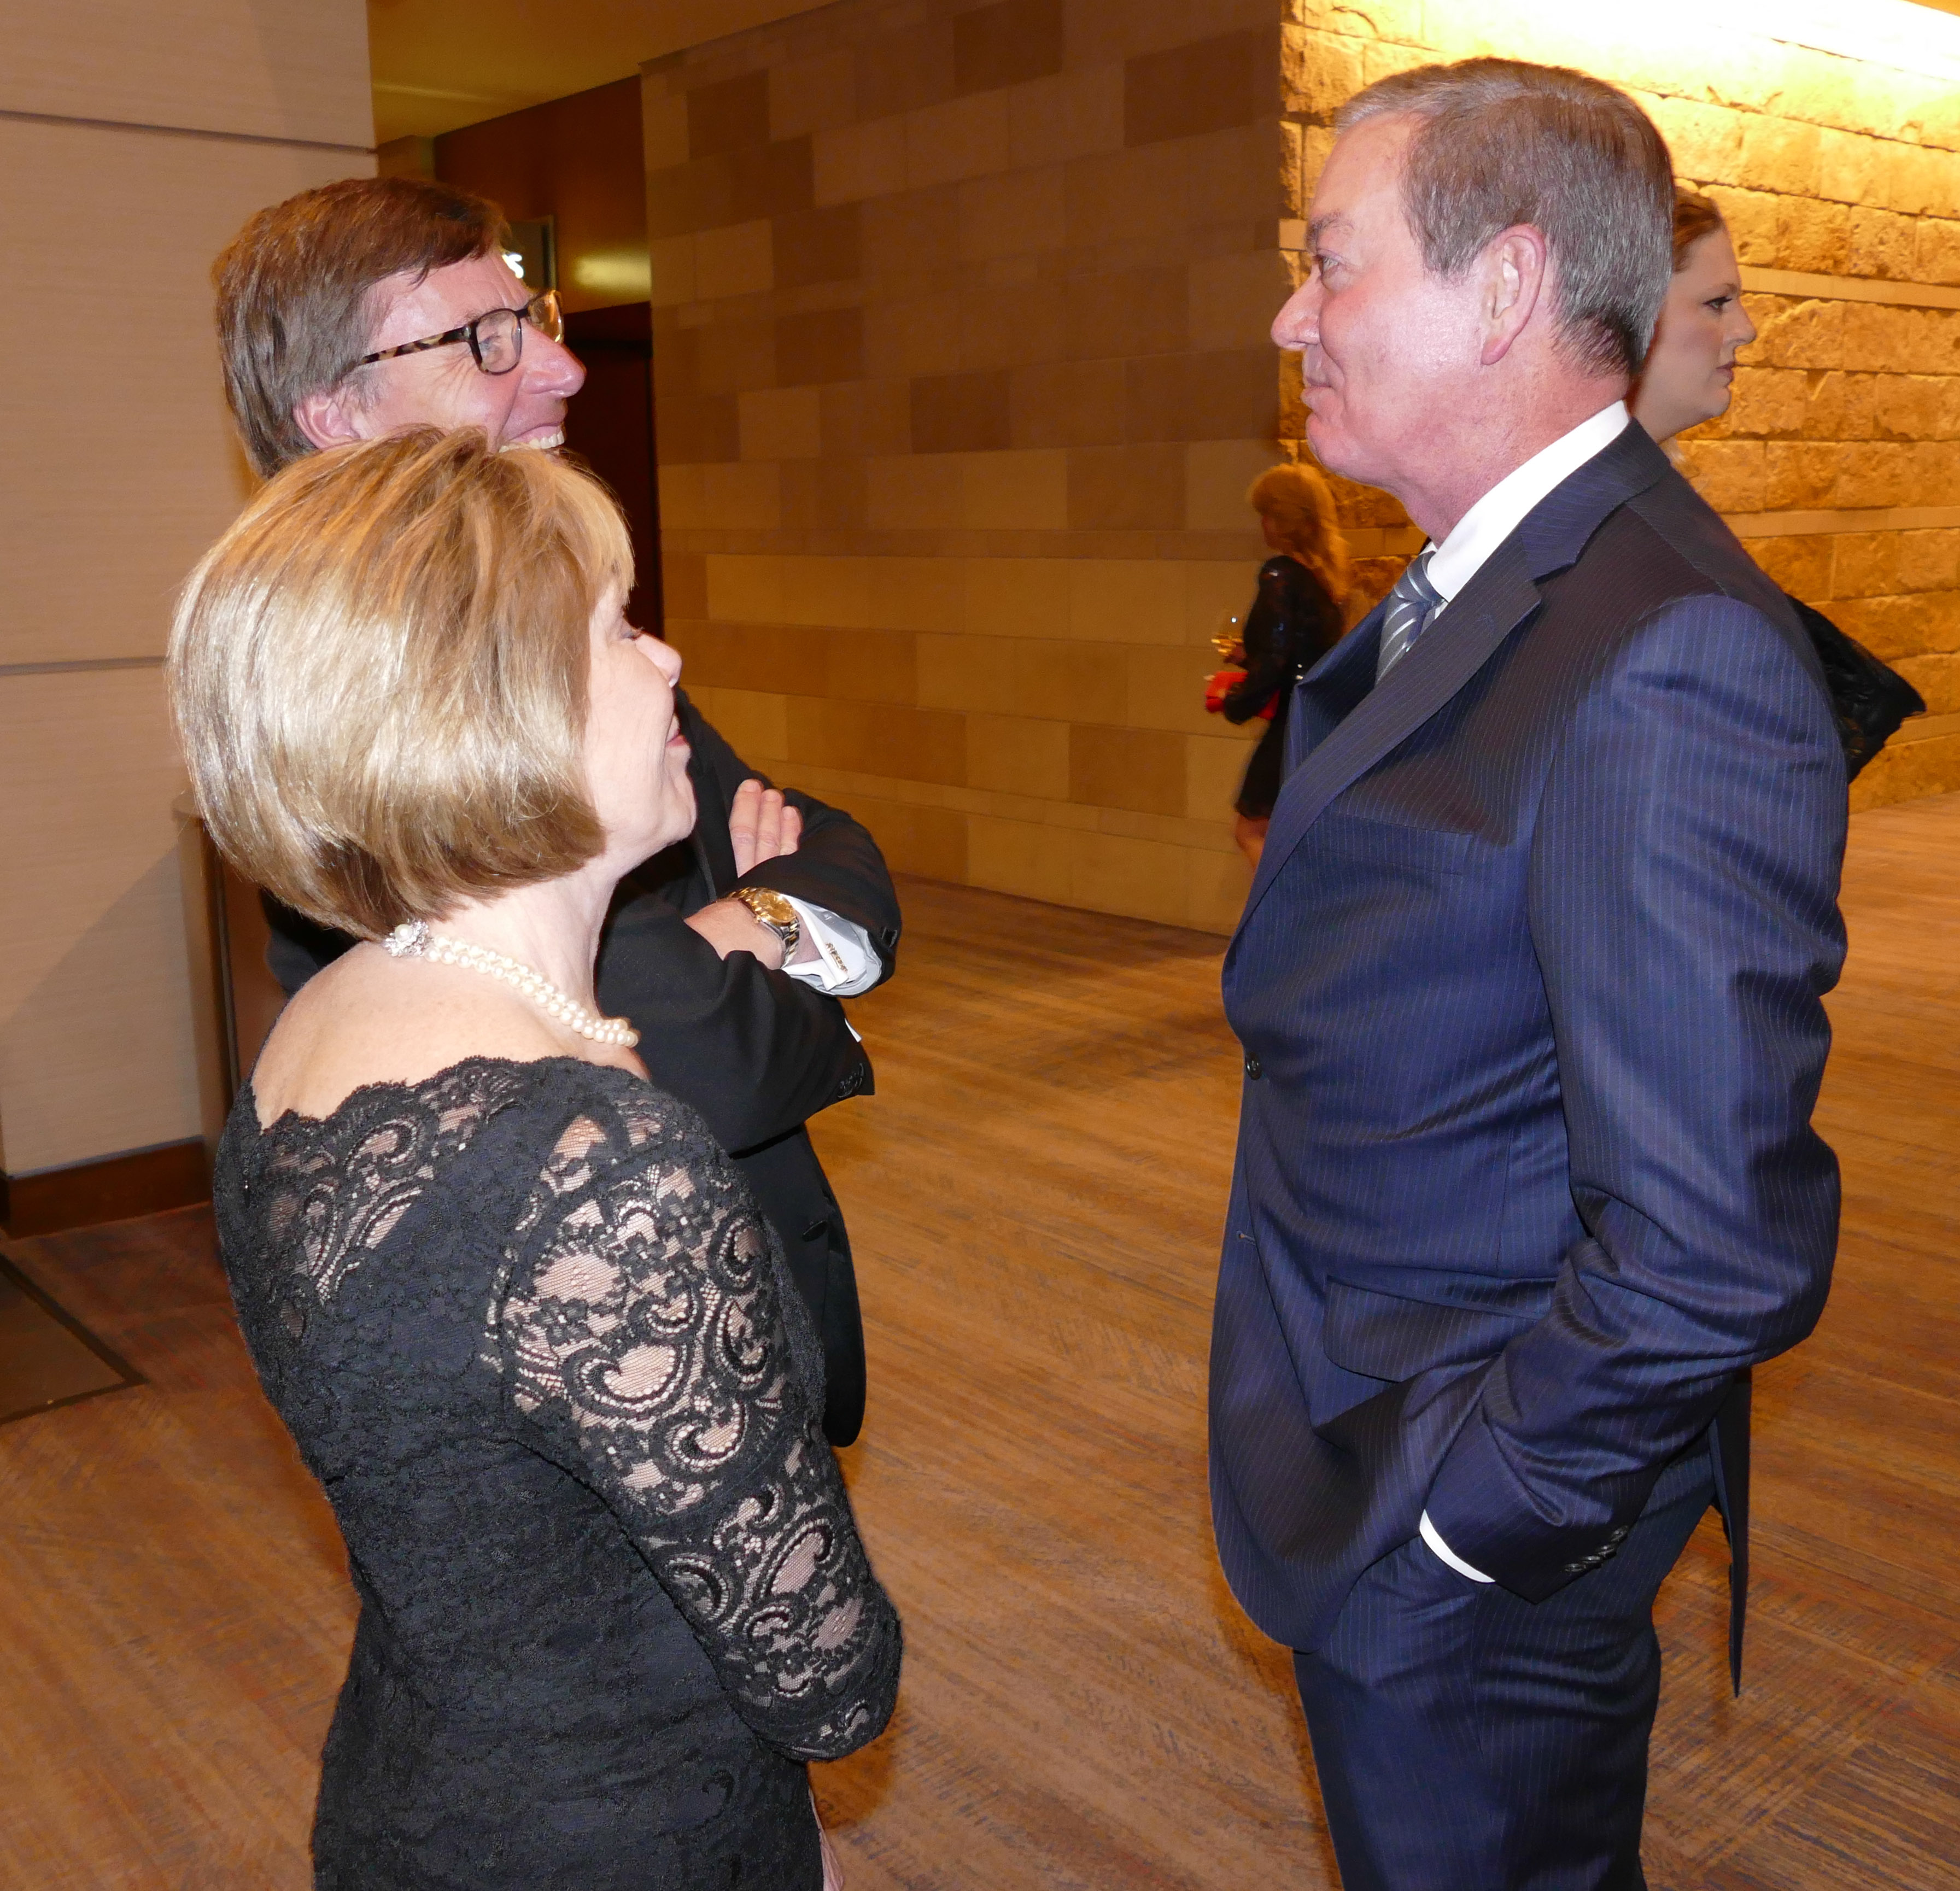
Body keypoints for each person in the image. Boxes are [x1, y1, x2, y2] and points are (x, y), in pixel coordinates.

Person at [1209, 59, 1846, 1889]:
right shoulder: (1491, 579)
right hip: (1377, 1429)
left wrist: (1467, 1529)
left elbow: (1709, 1237)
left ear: (1500, 287)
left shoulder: (1663, 647)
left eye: (1331, 262)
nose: (1292, 318)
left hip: (1461, 1517)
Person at [169, 429, 900, 1888]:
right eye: (617, 627)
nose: (666, 657)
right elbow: (829, 1678)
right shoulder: (604, 1165)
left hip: (410, 1798)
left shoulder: (322, 1025)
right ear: (494, 712)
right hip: (632, 1840)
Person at [213, 177, 893, 1444]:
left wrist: (744, 928)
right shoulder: (359, 713)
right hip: (609, 1364)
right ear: (337, 416)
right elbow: (716, 1065)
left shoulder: (554, 622)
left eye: (534, 318)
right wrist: (750, 928)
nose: (563, 370)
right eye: (483, 339)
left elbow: (827, 841)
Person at [1634, 185, 1924, 776]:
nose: (1747, 329)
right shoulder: (1586, 519)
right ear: (1626, 310)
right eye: (1717, 302)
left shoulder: (1652, 504)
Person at [1215, 463, 1350, 865]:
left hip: (1290, 725)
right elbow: (1304, 649)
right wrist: (1249, 655)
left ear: (1282, 520)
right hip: (1319, 721)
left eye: (1266, 514)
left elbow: (1276, 663)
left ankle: (1284, 906)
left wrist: (1234, 700)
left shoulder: (1279, 574)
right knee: (1290, 836)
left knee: (1251, 831)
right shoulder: (1324, 577)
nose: (1262, 524)